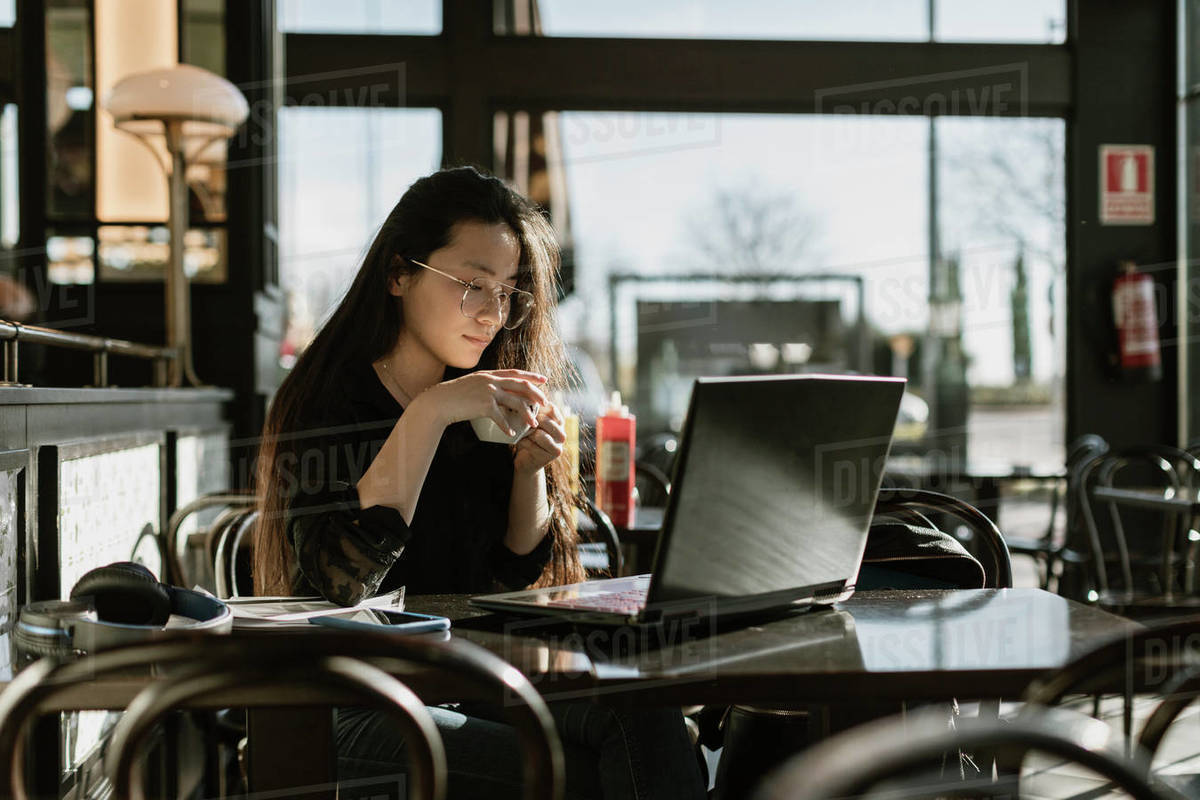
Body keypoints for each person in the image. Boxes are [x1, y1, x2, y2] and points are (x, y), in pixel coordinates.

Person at [252, 166, 706, 799]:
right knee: (580, 775)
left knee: (649, 712)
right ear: (398, 274)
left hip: (468, 672)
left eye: (508, 291)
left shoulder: (484, 393)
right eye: (471, 285)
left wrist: (530, 474)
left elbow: (514, 571)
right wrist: (431, 412)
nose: (493, 313)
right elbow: (340, 582)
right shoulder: (329, 401)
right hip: (347, 697)